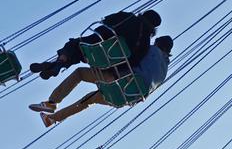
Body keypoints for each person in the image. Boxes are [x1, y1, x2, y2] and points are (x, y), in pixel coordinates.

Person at [33, 36, 173, 126]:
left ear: (158, 43)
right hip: (125, 97)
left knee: (80, 73)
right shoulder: (164, 70)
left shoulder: (152, 50)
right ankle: (53, 119)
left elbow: (131, 58)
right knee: (88, 100)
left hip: (118, 80)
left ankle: (52, 102)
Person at [29, 10, 162, 79]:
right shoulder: (145, 43)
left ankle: (59, 63)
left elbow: (106, 20)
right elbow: (134, 61)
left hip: (95, 45)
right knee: (81, 54)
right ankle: (57, 66)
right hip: (108, 64)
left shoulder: (128, 17)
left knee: (75, 45)